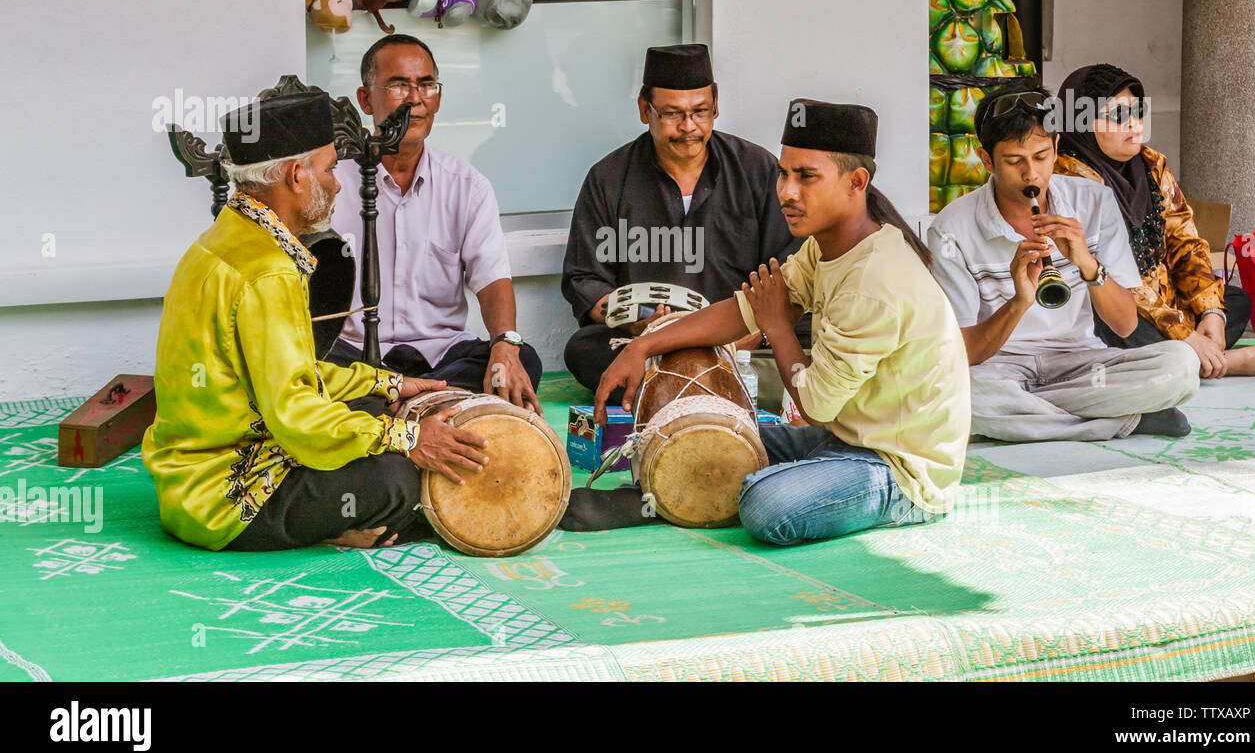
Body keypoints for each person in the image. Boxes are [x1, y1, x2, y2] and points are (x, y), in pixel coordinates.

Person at [586, 100, 970, 545]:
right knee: (697, 439)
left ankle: (767, 489)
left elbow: (814, 407)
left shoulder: (875, 279)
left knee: (764, 503)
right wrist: (642, 346)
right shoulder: (825, 246)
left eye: (806, 177)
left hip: (899, 469)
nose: (787, 192)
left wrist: (777, 326)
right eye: (783, 174)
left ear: (856, 182)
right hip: (844, 439)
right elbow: (741, 311)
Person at [142, 91, 491, 552]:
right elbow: (295, 415)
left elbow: (289, 375)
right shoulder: (269, 272)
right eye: (329, 169)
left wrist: (385, 384)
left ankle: (343, 517)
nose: (338, 185)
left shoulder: (224, 238)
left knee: (371, 409)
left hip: (185, 481)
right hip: (223, 497)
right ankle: (338, 526)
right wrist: (409, 437)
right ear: (296, 175)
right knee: (397, 477)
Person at [926, 83, 1200, 444]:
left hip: (1081, 362)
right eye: (1014, 162)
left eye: (1041, 156)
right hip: (999, 369)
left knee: (1182, 366)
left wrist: (1088, 264)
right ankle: (1120, 421)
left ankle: (1029, 415)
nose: (1031, 175)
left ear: (1056, 148)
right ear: (987, 160)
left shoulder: (1095, 202)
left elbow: (1125, 324)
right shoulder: (950, 229)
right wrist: (1019, 302)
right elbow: (965, 352)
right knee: (953, 394)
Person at [561, 43, 802, 397]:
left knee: (806, 340)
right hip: (649, 341)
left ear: (716, 105)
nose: (689, 127)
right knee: (584, 349)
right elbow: (584, 278)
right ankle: (705, 383)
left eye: (700, 112)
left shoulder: (757, 169)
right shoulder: (609, 178)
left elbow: (790, 267)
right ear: (645, 110)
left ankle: (669, 388)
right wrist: (633, 321)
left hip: (738, 339)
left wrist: (757, 331)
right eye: (672, 114)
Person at [327, 35, 543, 412]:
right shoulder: (332, 182)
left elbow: (492, 280)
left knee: (521, 361)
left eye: (426, 84)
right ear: (365, 99)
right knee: (315, 371)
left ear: (438, 98)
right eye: (398, 85)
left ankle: (400, 407)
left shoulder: (467, 186)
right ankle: (433, 406)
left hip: (441, 358)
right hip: (355, 357)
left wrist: (505, 345)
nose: (416, 98)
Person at [1053, 63, 1255, 378]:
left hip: (1164, 303)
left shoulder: (1151, 166)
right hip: (1121, 308)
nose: (1134, 124)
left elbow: (1186, 244)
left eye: (1138, 112)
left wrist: (1211, 313)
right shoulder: (1065, 182)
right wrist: (1185, 334)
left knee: (1234, 301)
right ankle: (1218, 362)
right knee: (1103, 318)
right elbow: (1112, 278)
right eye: (1117, 116)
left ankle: (1193, 357)